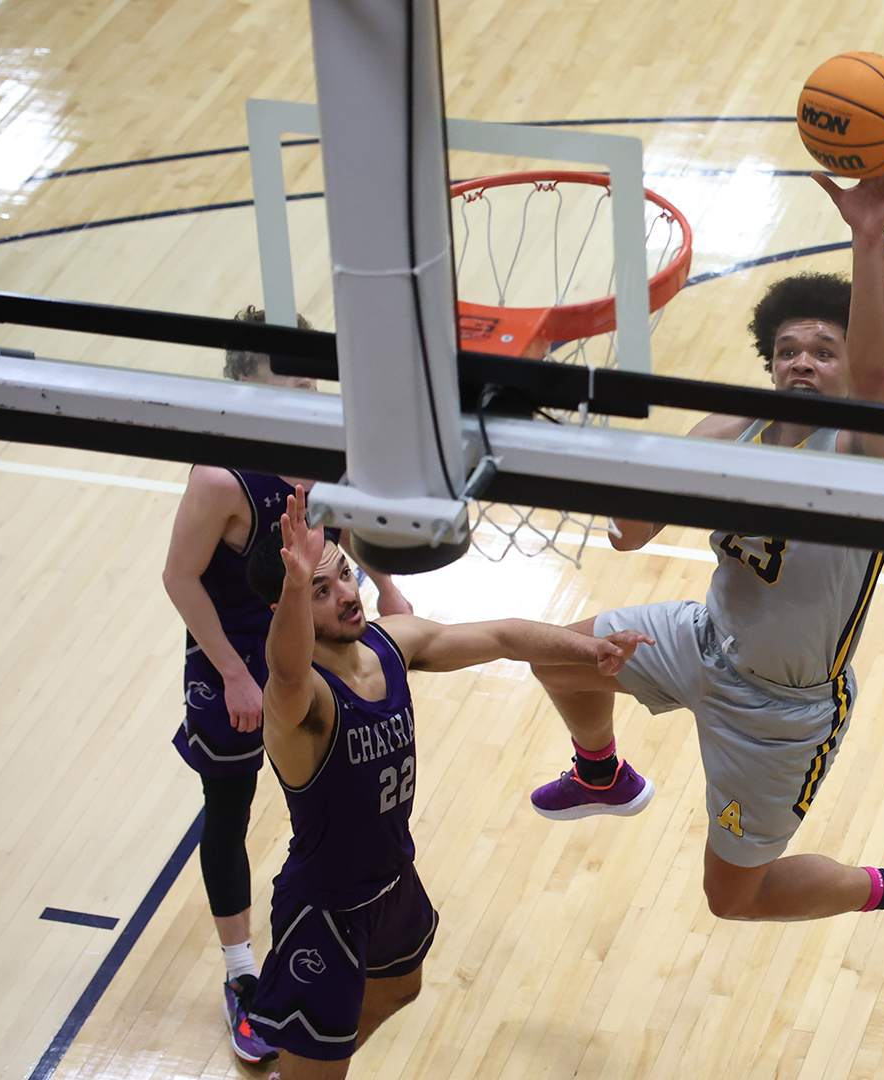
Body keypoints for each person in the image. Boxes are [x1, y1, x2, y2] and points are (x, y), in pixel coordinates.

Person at [525, 148, 884, 978]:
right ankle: (601, 769)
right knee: (559, 657)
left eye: (824, 351)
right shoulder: (732, 431)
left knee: (734, 897)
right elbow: (634, 530)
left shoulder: (871, 446)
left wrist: (868, 238)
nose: (804, 360)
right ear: (769, 362)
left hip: (781, 711)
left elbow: (876, 374)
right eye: (789, 349)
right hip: (700, 638)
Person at [240, 490, 646, 1078]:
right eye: (320, 592)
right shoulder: (301, 705)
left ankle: (310, 1062)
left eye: (344, 576)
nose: (349, 594)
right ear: (288, 607)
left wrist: (591, 650)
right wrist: (298, 585)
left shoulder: (390, 643)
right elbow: (286, 669)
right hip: (325, 911)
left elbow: (504, 636)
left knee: (401, 988)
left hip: (390, 881)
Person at [160, 307, 411, 1063]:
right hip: (234, 654)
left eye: (309, 375)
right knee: (229, 809)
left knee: (330, 795)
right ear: (245, 382)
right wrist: (237, 674)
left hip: (312, 639)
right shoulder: (219, 475)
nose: (305, 386)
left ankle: (343, 925)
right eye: (289, 376)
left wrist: (387, 587)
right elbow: (178, 578)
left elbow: (344, 528)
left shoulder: (318, 445)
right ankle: (242, 973)